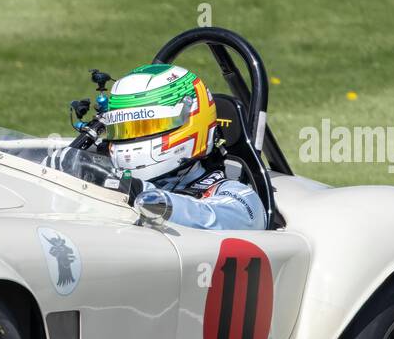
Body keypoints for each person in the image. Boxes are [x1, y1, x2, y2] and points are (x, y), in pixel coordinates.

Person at [87, 62, 266, 231]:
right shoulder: (113, 177)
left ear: (193, 122)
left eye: (148, 126)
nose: (133, 138)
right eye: (124, 129)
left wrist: (139, 192)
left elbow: (217, 218)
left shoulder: (237, 196)